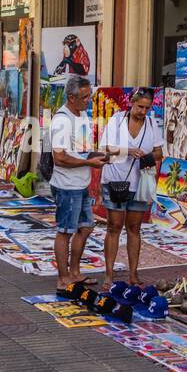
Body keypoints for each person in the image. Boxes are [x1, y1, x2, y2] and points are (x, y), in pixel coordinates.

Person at [100, 88, 163, 286]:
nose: (143, 112)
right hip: (115, 179)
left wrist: (148, 157)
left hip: (140, 182)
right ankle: (109, 274)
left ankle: (133, 274)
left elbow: (159, 151)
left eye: (147, 108)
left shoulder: (152, 123)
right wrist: (128, 151)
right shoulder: (117, 120)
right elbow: (106, 148)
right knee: (114, 227)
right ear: (132, 103)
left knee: (134, 228)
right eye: (140, 107)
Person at [50, 75, 106, 288]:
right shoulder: (62, 120)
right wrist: (90, 162)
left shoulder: (82, 115)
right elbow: (60, 157)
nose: (88, 100)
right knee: (65, 231)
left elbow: (82, 150)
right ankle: (63, 278)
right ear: (71, 98)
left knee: (86, 227)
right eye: (84, 97)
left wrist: (101, 155)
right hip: (67, 186)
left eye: (89, 95)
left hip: (80, 183)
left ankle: (74, 271)